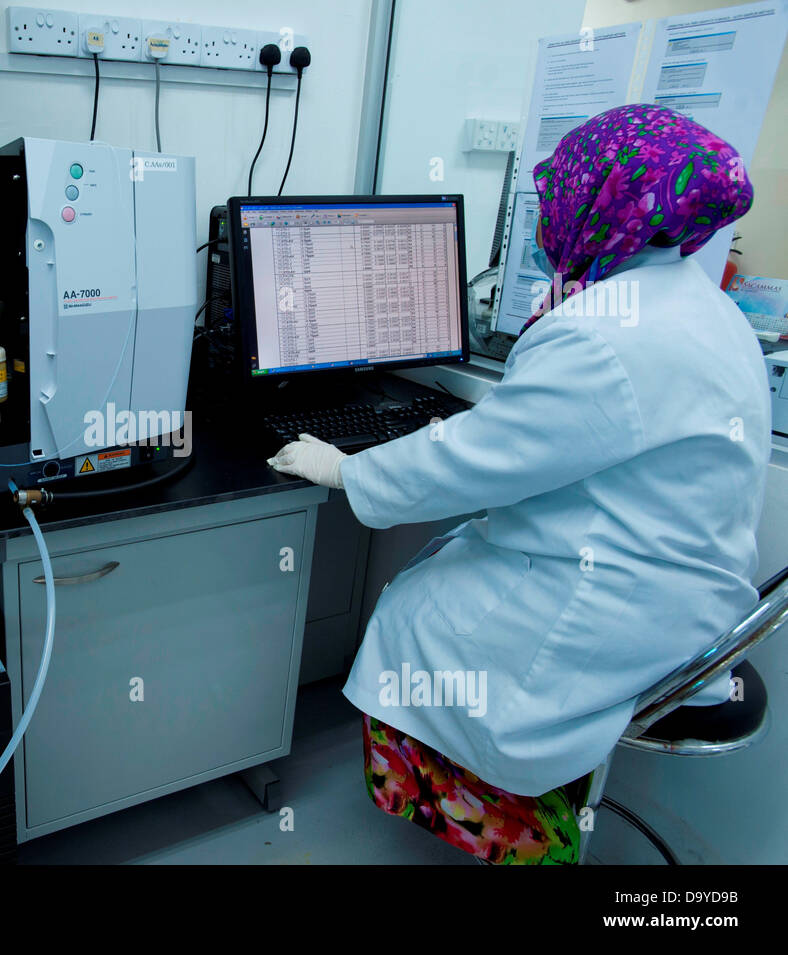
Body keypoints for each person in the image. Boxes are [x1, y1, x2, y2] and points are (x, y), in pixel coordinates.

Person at [268, 104, 768, 864]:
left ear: (599, 202)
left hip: (615, 617)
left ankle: (524, 831)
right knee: (445, 571)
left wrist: (343, 468)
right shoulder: (708, 308)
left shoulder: (601, 331)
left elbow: (469, 461)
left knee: (410, 610)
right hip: (692, 609)